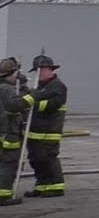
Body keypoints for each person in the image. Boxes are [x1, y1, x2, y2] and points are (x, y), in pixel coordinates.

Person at [23, 55, 68, 198]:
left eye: (41, 70)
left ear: (50, 70)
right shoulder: (38, 87)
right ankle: (42, 185)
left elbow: (54, 104)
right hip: (35, 131)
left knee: (48, 158)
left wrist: (33, 105)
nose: (38, 73)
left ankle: (56, 186)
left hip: (49, 131)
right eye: (36, 71)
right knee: (35, 159)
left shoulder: (58, 86)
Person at [0, 58, 30, 206]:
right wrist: (31, 97)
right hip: (7, 133)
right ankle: (3, 195)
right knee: (8, 163)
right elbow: (14, 105)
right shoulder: (6, 89)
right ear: (10, 73)